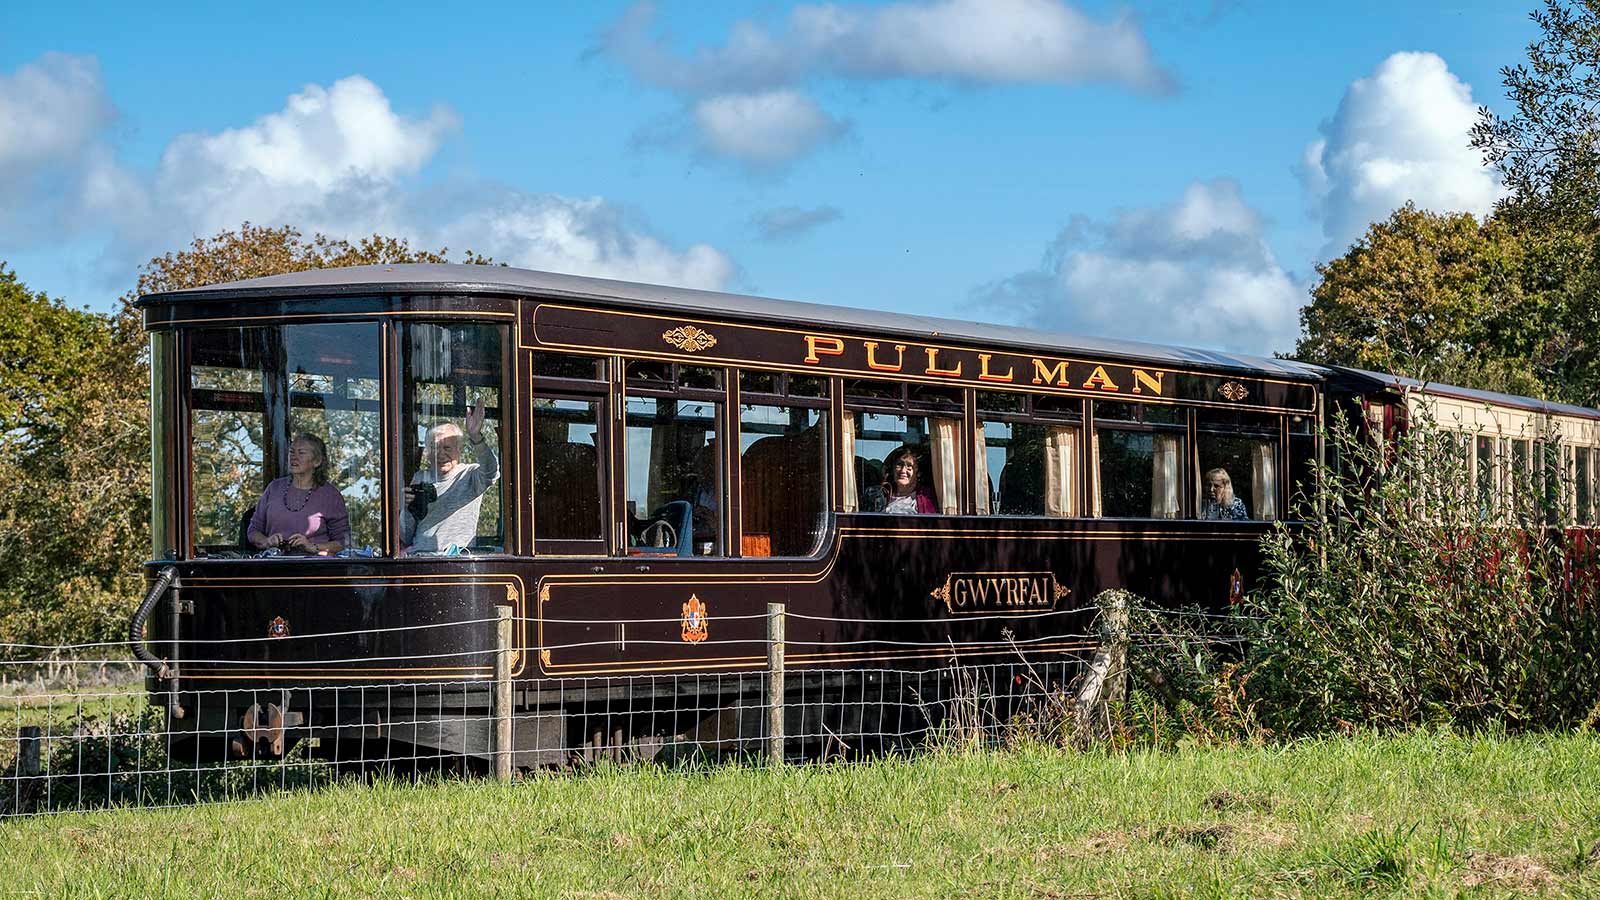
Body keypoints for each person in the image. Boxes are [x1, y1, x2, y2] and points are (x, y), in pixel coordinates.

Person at [403, 399, 499, 553]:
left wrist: (475, 437)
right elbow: (405, 535)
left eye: (447, 447)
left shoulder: (469, 475)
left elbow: (491, 471)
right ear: (427, 452)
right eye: (434, 447)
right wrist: (406, 509)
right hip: (420, 557)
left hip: (455, 559)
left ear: (459, 449)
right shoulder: (419, 478)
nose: (441, 454)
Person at [248, 433, 350, 555]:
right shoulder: (274, 488)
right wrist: (267, 542)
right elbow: (253, 531)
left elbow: (343, 543)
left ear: (317, 461)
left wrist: (311, 546)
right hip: (274, 566)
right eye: (291, 452)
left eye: (301, 453)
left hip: (315, 569)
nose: (294, 457)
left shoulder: (330, 495)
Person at [861, 446, 939, 514]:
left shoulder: (926, 498)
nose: (903, 470)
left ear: (918, 472)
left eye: (909, 467)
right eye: (899, 465)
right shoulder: (878, 495)